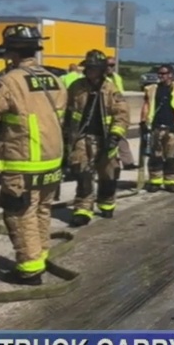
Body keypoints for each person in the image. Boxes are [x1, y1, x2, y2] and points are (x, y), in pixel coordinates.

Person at [0, 25, 67, 286]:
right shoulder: (55, 80)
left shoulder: (9, 81)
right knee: (41, 210)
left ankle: (29, 269)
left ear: (10, 53)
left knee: (19, 214)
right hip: (52, 160)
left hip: (23, 161)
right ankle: (40, 255)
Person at [65, 50, 130, 227]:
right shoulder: (76, 87)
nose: (91, 71)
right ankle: (83, 209)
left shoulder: (110, 89)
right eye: (89, 68)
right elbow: (66, 110)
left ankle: (106, 202)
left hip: (106, 138)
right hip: (81, 137)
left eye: (94, 68)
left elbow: (122, 114)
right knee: (82, 173)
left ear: (101, 70)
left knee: (108, 174)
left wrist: (115, 135)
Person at [141, 64, 174, 192]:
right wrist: (143, 123)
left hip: (172, 128)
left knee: (171, 157)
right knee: (155, 157)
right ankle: (155, 181)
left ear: (170, 75)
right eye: (159, 73)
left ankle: (170, 182)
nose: (161, 76)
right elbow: (146, 105)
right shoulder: (151, 89)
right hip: (156, 127)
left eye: (163, 73)